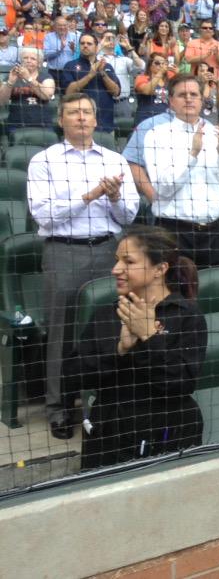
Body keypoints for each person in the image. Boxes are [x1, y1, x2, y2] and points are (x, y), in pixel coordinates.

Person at [27, 93, 139, 440]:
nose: (81, 118)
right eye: (74, 112)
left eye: (87, 112)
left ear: (96, 119)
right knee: (62, 331)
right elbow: (42, 213)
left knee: (110, 327)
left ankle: (103, 402)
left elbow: (129, 216)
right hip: (64, 252)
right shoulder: (44, 161)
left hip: (108, 251)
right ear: (61, 120)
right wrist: (90, 196)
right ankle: (59, 408)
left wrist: (116, 198)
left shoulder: (114, 159)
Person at [73, 226, 206, 470]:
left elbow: (181, 383)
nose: (116, 270)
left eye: (128, 261)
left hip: (169, 434)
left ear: (160, 269)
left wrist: (149, 336)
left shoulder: (186, 315)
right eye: (116, 261)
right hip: (109, 435)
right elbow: (72, 376)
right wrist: (120, 351)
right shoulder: (106, 313)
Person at [143, 74, 219, 269]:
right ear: (171, 101)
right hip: (173, 233)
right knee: (176, 296)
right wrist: (192, 154)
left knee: (214, 295)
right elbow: (163, 188)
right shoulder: (156, 135)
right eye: (182, 94)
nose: (188, 99)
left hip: (214, 233)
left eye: (194, 94)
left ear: (201, 99)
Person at [55, 32, 121, 133]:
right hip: (79, 124)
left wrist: (102, 73)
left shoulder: (106, 66)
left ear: (96, 47)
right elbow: (68, 92)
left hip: (105, 124)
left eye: (89, 44)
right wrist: (90, 75)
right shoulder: (70, 65)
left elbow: (116, 91)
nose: (85, 46)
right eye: (82, 43)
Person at [0, 47, 56, 131]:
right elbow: (2, 101)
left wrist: (28, 78)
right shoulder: (12, 76)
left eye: (33, 58)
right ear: (21, 61)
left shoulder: (46, 77)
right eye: (25, 58)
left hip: (43, 123)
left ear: (39, 63)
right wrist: (10, 82)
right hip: (16, 124)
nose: (28, 60)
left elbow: (47, 95)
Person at [133, 55, 175, 125]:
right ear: (150, 65)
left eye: (163, 63)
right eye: (157, 63)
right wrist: (160, 73)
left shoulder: (169, 81)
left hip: (165, 120)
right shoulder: (142, 78)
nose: (161, 66)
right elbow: (147, 91)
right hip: (145, 119)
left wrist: (178, 73)